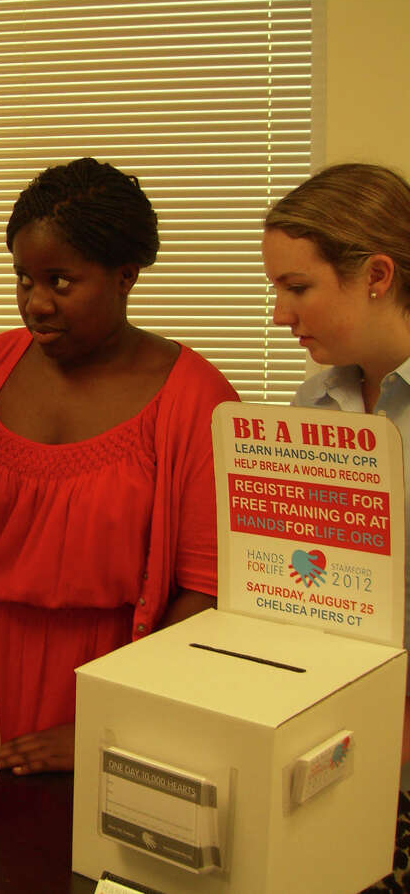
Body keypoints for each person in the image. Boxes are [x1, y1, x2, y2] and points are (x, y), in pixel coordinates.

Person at [0, 157, 239, 776]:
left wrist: (108, 721)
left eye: (60, 282)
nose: (35, 303)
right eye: (22, 278)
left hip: (122, 677)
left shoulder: (197, 401)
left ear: (125, 276)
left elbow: (205, 593)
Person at [262, 162, 410, 892]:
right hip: (343, 720)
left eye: (298, 288)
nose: (281, 315)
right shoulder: (315, 397)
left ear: (376, 274)